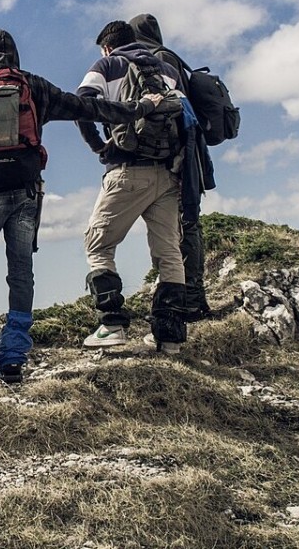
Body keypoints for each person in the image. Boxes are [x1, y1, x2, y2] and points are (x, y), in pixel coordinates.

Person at [0, 28, 163, 384]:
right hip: (26, 195)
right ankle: (12, 362)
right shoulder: (33, 85)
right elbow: (88, 107)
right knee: (21, 274)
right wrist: (142, 108)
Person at [75, 20, 192, 353]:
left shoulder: (107, 65)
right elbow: (186, 117)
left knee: (98, 244)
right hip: (168, 174)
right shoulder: (167, 70)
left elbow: (82, 104)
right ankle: (169, 338)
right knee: (169, 253)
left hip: (127, 171)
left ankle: (112, 325)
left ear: (107, 47)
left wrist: (100, 147)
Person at [129, 13, 217, 322]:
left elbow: (171, 111)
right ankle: (189, 297)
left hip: (180, 157)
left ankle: (190, 300)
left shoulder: (158, 60)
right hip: (189, 153)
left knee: (183, 224)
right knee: (183, 223)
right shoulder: (171, 57)